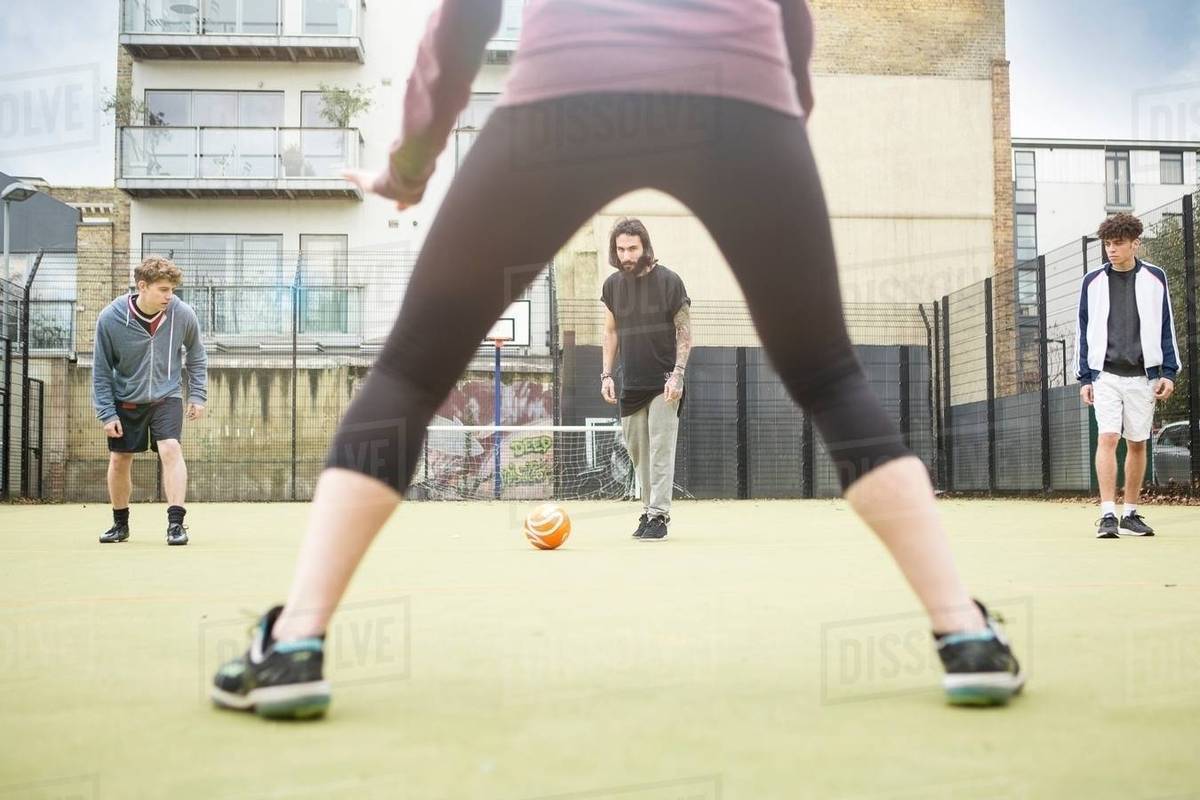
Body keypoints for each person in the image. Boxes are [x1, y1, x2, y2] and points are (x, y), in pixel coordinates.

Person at [210, 0, 1023, 720]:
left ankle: (295, 644)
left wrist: (410, 167)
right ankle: (965, 633)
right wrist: (781, 128)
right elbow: (792, 22)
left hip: (567, 97)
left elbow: (466, 17)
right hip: (741, 106)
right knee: (831, 375)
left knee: (411, 371)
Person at [1075, 212, 1179, 539]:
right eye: (1107, 244)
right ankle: (1108, 514)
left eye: (1118, 243)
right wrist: (1085, 378)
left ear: (1136, 243)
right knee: (1108, 437)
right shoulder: (1092, 282)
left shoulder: (1155, 278)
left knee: (1137, 443)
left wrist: (1169, 373)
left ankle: (1130, 514)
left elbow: (1166, 327)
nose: (1111, 249)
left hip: (1143, 377)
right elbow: (1084, 330)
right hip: (1104, 374)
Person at [93, 256, 207, 546]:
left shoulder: (182, 314)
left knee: (170, 448)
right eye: (164, 290)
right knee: (120, 460)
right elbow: (102, 369)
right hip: (126, 399)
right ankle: (120, 525)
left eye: (172, 290)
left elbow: (196, 355)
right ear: (142, 286)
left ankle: (176, 525)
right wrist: (107, 413)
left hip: (166, 395)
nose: (171, 296)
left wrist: (197, 395)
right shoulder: (110, 318)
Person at [601, 218, 691, 541]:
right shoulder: (612, 286)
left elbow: (684, 332)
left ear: (645, 247)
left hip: (665, 382)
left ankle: (659, 516)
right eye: (620, 249)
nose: (626, 254)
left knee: (660, 451)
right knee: (639, 454)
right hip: (631, 383)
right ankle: (648, 510)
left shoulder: (670, 282)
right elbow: (611, 332)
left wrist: (678, 375)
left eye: (632, 248)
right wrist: (607, 374)